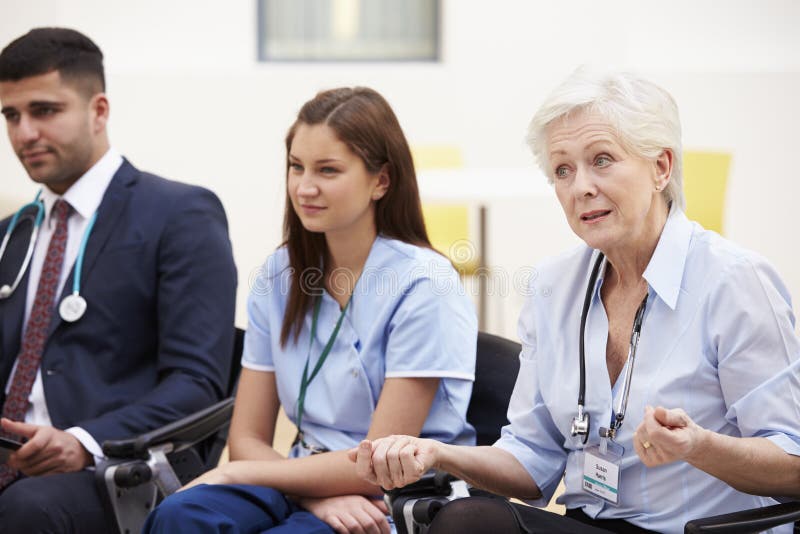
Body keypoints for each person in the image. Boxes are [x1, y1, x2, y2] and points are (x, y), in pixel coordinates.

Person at [353, 69, 800, 534]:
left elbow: (793, 464)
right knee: (466, 520)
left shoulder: (735, 282)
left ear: (661, 167)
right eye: (563, 169)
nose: (579, 186)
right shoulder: (554, 285)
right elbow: (531, 462)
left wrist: (698, 446)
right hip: (592, 522)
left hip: (700, 530)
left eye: (602, 160)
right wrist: (438, 453)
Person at [143, 86, 477, 534]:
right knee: (179, 515)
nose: (305, 187)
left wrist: (235, 472)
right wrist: (311, 494)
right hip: (304, 479)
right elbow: (246, 440)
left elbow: (377, 462)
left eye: (328, 170)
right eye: (296, 167)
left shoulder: (424, 284)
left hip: (394, 497)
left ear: (381, 181)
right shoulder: (279, 274)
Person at [0, 27, 237, 532]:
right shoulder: (11, 237)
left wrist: (83, 441)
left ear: (99, 110)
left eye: (44, 111)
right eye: (10, 116)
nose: (24, 134)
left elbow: (196, 384)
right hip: (11, 461)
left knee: (25, 509)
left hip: (109, 468)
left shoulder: (178, 214)